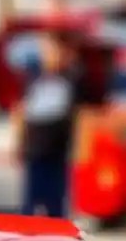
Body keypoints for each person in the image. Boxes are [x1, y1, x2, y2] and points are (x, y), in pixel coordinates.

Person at [13, 31, 101, 218]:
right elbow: (21, 111)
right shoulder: (33, 78)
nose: (49, 55)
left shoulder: (73, 78)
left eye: (53, 50)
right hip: (34, 149)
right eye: (45, 51)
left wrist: (82, 147)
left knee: (56, 203)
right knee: (30, 201)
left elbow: (83, 115)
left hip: (58, 150)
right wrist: (18, 142)